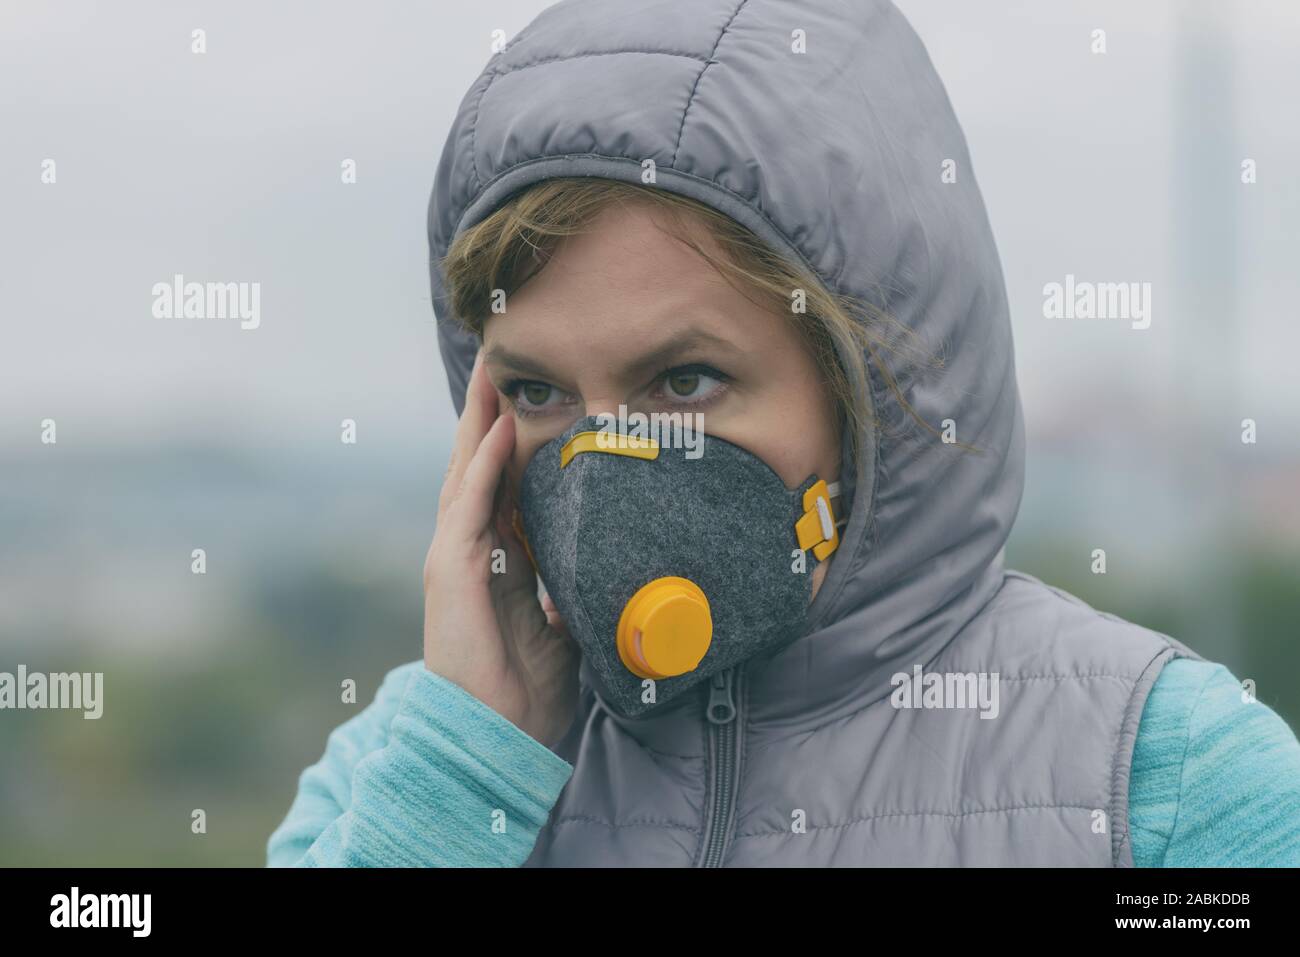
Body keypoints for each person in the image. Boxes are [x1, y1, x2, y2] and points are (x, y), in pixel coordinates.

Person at [267, 0, 1300, 867]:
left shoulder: (1166, 780)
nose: (601, 467)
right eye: (537, 391)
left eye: (685, 381)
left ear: (871, 393)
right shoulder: (407, 769)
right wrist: (462, 780)